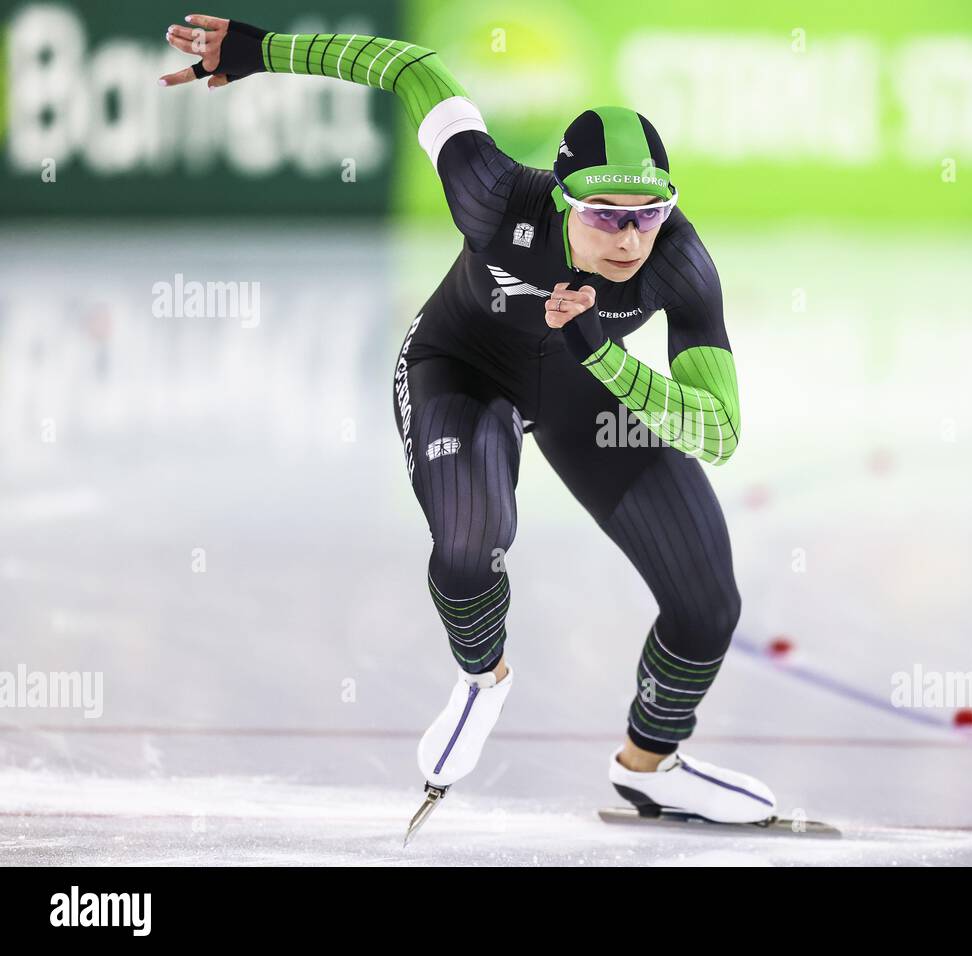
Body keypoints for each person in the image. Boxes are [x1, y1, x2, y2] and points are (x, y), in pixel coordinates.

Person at [162, 15, 776, 826]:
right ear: (562, 201)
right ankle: (483, 675)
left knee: (708, 605)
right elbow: (411, 66)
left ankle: (650, 765)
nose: (628, 239)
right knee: (469, 543)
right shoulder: (492, 195)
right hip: (463, 368)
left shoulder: (681, 265)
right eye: (603, 215)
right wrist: (264, 49)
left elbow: (720, 431)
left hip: (585, 389)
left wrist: (608, 359)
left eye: (648, 214)